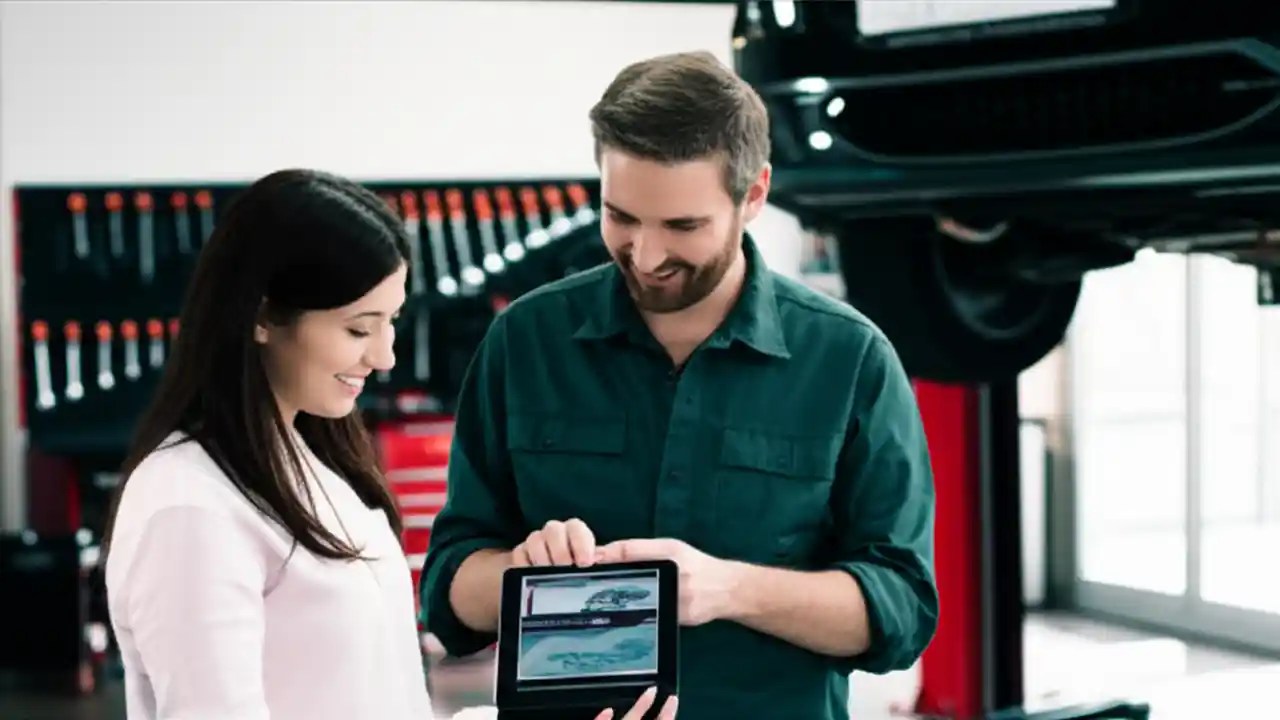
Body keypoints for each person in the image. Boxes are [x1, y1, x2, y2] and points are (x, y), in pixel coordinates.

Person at [420, 51, 939, 720]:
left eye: (682, 226)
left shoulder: (850, 360)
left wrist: (728, 590)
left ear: (754, 195)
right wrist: (522, 574)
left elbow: (901, 609)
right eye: (621, 217)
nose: (646, 255)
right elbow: (449, 590)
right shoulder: (524, 342)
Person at [100, 168, 671, 720]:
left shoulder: (312, 467)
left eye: (391, 321)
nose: (384, 356)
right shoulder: (190, 507)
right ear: (264, 316)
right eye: (358, 328)